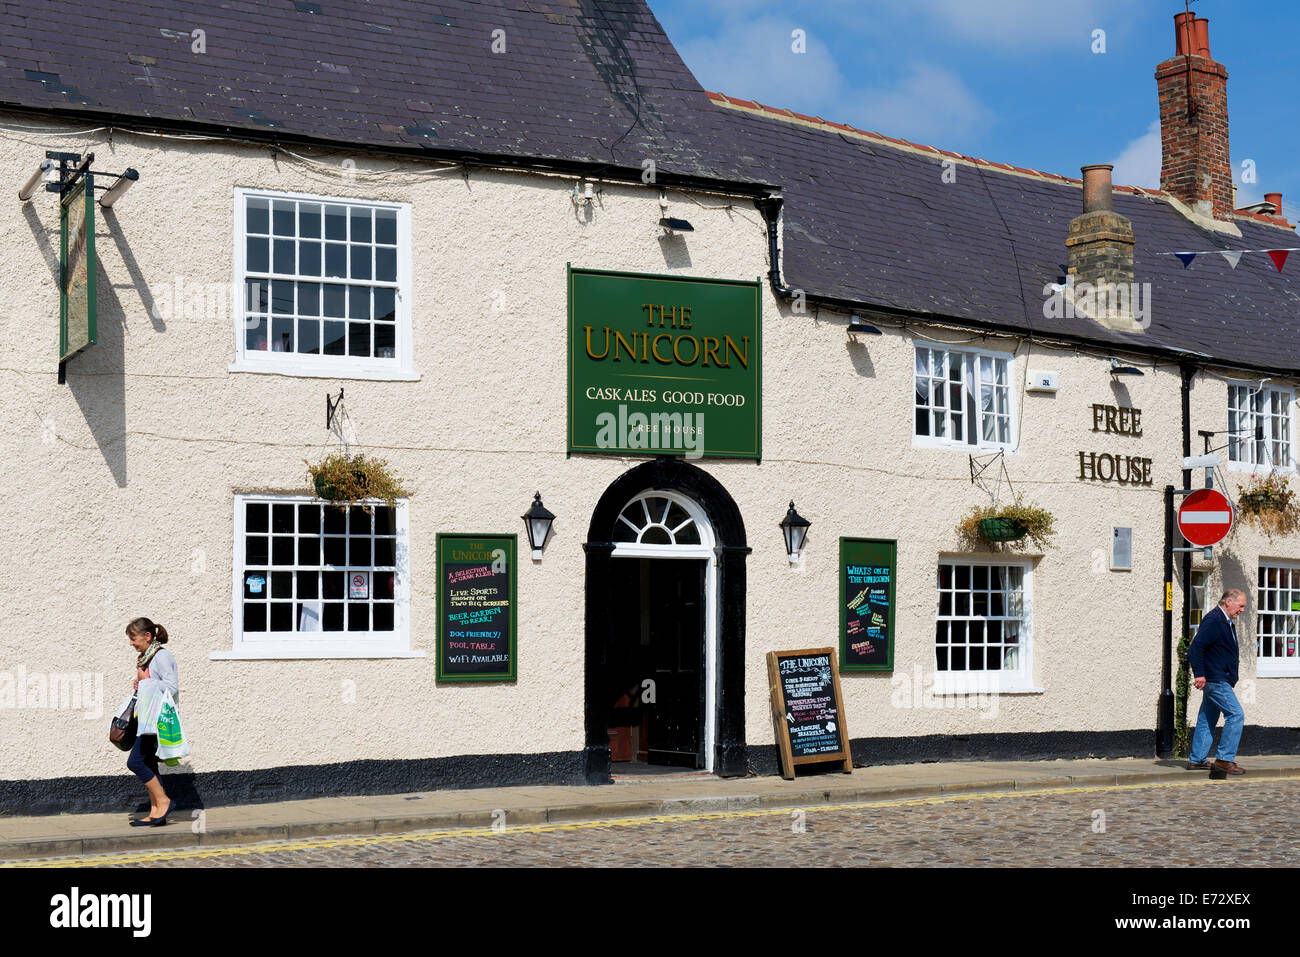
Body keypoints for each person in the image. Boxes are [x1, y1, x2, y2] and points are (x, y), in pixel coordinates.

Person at [124, 617, 178, 825]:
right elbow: (155, 685)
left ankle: (164, 801)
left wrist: (146, 682)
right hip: (147, 718)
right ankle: (156, 811)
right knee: (148, 763)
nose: (131, 643)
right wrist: (142, 685)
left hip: (155, 721)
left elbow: (172, 688)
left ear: (147, 636)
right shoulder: (148, 657)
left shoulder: (162, 656)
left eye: (133, 638)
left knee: (135, 761)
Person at [1187, 588, 1247, 774]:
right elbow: (1196, 647)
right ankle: (1224, 759)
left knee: (1207, 718)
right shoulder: (1214, 620)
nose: (1242, 609)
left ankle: (1197, 760)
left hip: (1220, 678)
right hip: (1215, 679)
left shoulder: (1226, 622)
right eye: (1241, 605)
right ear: (1228, 602)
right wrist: (1199, 673)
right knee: (1236, 715)